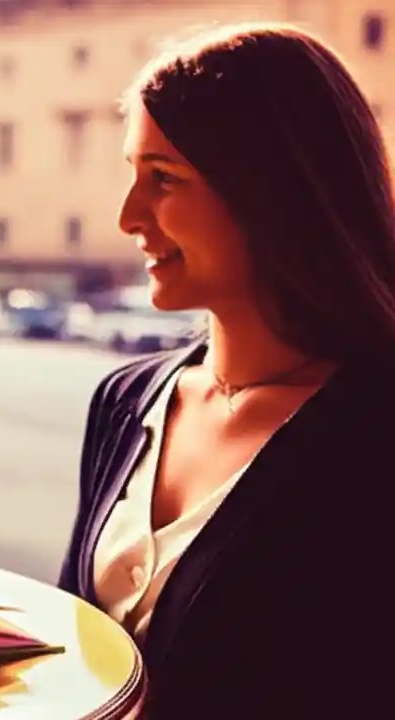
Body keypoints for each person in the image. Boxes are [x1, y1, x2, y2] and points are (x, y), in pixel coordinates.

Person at [57, 22, 395, 718]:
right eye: (132, 174)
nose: (128, 217)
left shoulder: (375, 434)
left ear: (272, 193)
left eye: (164, 179)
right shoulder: (126, 400)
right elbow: (68, 643)